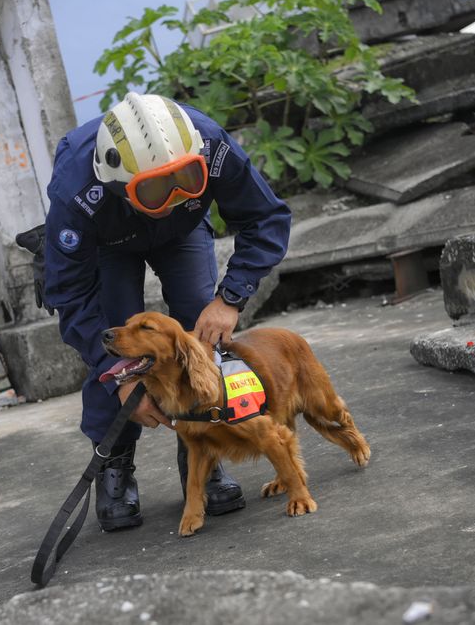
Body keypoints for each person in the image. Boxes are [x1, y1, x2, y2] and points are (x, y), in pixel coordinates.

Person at [42, 92, 291, 531]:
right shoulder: (78, 190)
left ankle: (203, 451)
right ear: (118, 180)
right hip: (109, 244)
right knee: (119, 339)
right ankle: (114, 460)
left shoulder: (211, 145)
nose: (174, 193)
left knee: (201, 330)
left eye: (185, 177)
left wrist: (230, 298)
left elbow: (266, 218)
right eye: (158, 186)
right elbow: (69, 292)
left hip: (184, 230)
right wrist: (118, 376)